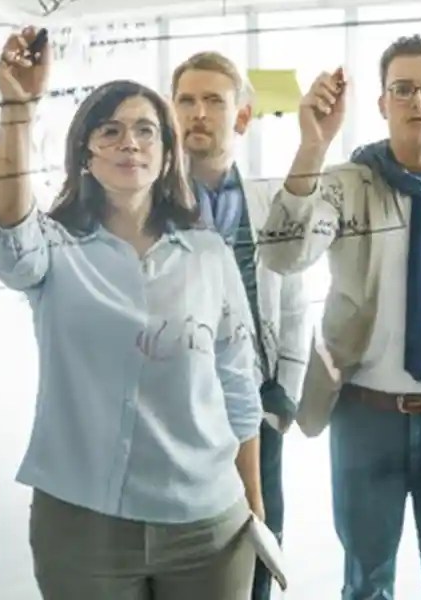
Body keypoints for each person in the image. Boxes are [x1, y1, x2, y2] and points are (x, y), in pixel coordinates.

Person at [0, 28, 264, 600]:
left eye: (144, 131)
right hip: (85, 521)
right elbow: (7, 239)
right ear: (85, 154)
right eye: (110, 130)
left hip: (208, 523)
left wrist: (254, 505)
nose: (129, 142)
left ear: (165, 156)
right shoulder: (54, 250)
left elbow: (238, 388)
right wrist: (17, 109)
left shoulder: (208, 254)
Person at [257, 35, 421, 600]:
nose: (418, 100)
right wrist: (312, 149)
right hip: (366, 415)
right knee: (366, 579)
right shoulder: (346, 186)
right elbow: (281, 254)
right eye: (403, 89)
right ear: (382, 102)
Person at [170, 51, 308, 600]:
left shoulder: (269, 199)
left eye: (213, 101)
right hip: (181, 407)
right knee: (188, 551)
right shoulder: (150, 203)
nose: (197, 113)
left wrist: (285, 399)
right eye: (185, 100)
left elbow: (295, 301)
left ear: (242, 117)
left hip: (259, 401)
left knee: (258, 539)